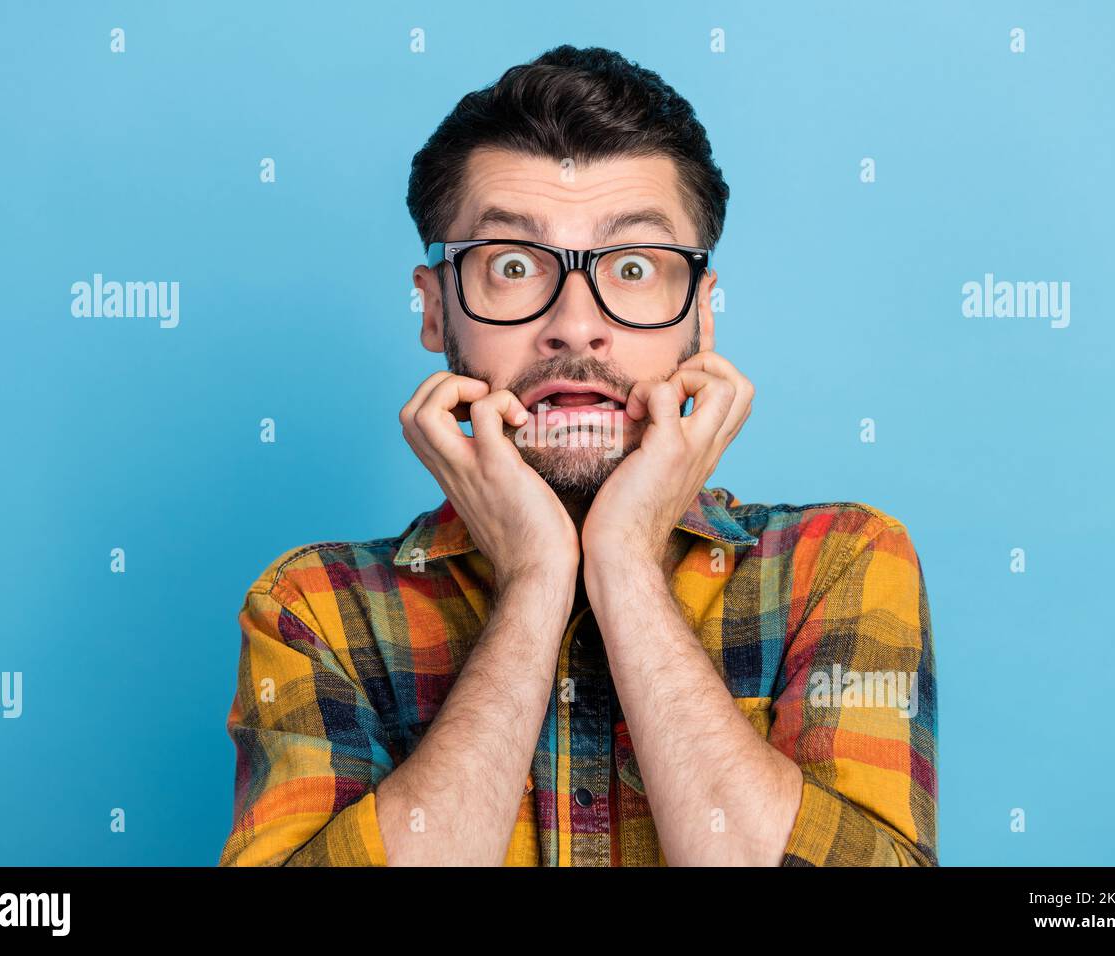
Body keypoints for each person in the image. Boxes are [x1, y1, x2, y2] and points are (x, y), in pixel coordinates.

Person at [219, 44, 937, 867]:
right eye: (513, 266)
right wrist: (535, 583)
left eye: (633, 267)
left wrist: (624, 563)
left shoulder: (836, 564)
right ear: (433, 313)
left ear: (700, 318)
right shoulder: (315, 607)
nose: (575, 324)